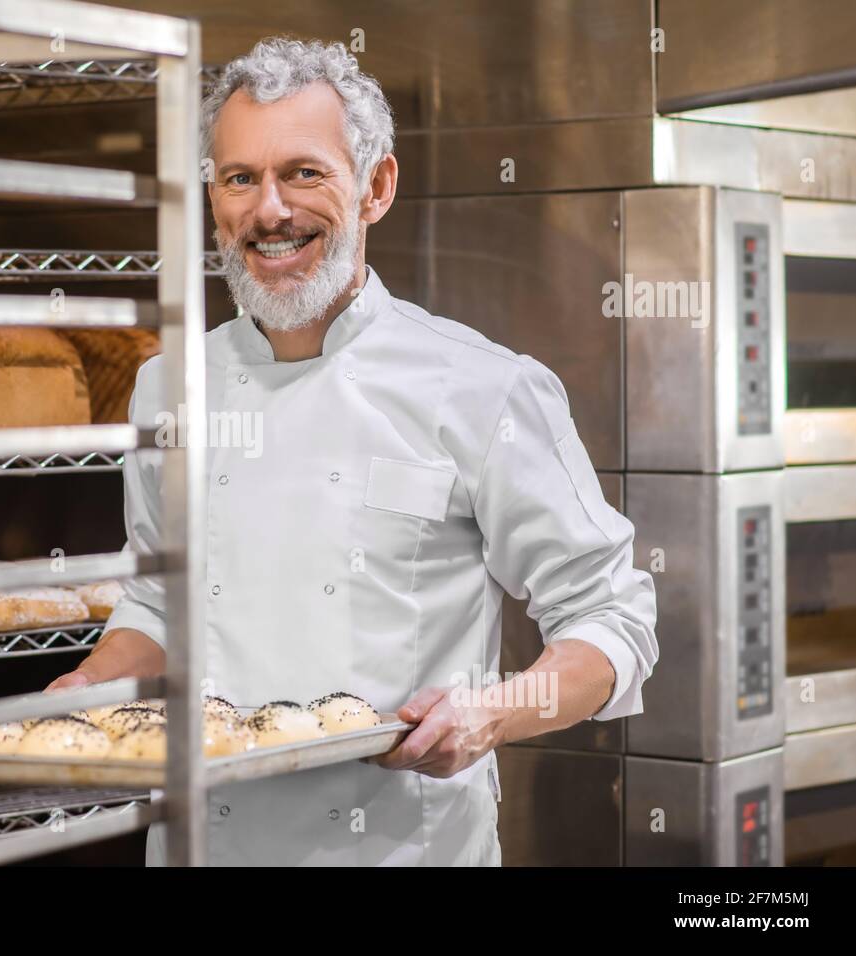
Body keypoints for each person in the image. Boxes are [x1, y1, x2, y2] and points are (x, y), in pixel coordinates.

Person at [48, 37, 658, 866]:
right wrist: (91, 690)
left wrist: (495, 710)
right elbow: (160, 604)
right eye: (239, 178)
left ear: (376, 187)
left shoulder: (482, 387)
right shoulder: (169, 387)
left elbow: (610, 618)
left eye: (304, 172)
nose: (269, 211)